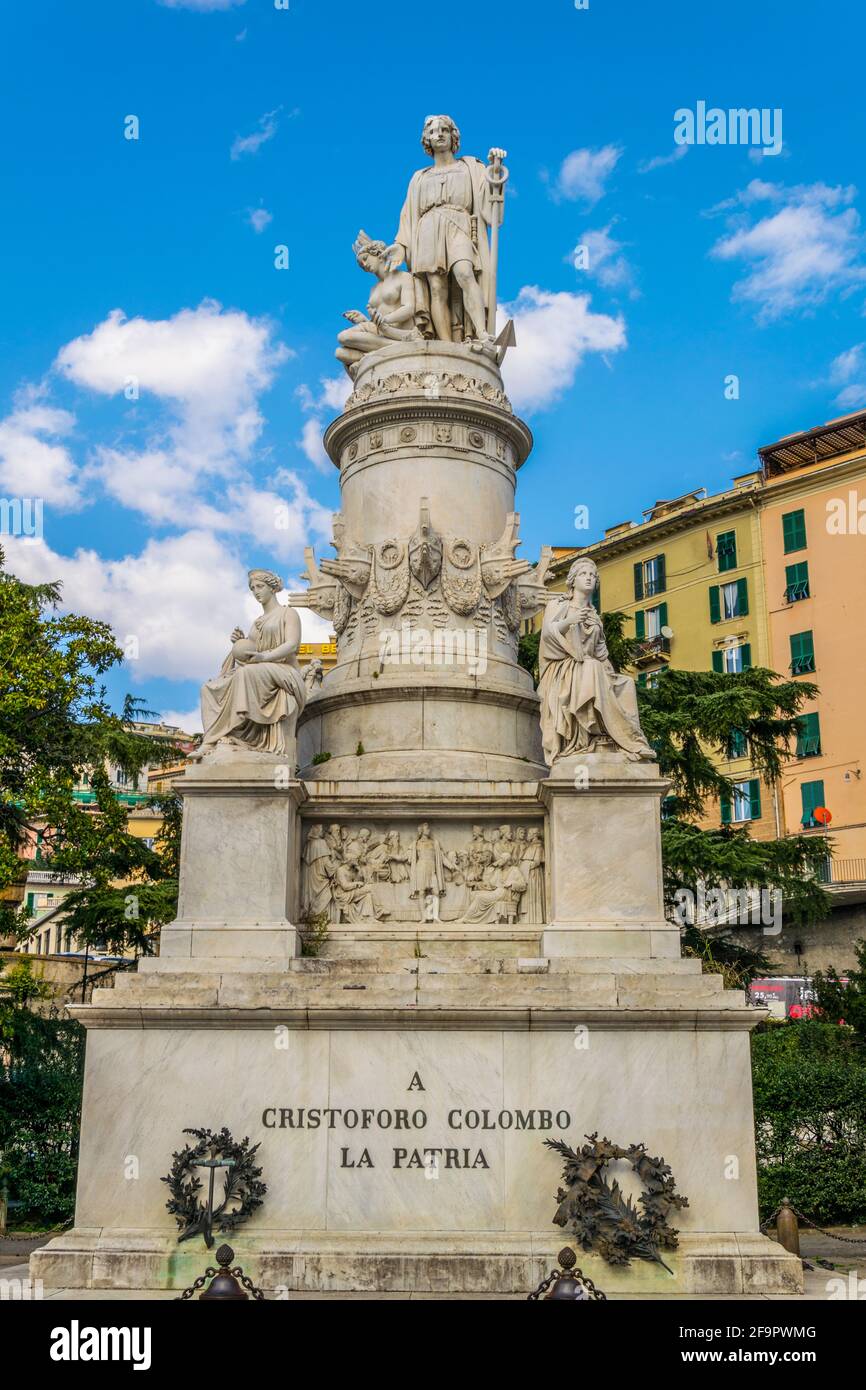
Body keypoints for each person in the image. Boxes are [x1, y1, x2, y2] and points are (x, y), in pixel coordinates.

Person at [388, 115, 505, 345]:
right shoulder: (419, 177)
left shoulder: (471, 167)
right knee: (437, 288)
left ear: (453, 136)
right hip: (428, 228)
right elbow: (408, 214)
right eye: (433, 131)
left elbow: (488, 202)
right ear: (427, 140)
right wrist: (401, 245)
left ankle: (481, 332)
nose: (439, 134)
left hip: (458, 222)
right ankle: (446, 345)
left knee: (465, 273)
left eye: (444, 130)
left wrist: (495, 170)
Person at [538, 557, 654, 764]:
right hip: (562, 667)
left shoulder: (594, 616)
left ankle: (627, 740)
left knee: (625, 683)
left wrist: (610, 675)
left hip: (591, 667)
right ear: (573, 580)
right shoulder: (558, 605)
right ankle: (584, 736)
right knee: (592, 667)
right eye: (584, 574)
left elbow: (601, 653)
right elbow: (548, 634)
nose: (589, 578)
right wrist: (570, 621)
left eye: (592, 575)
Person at [195, 569, 307, 758]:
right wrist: (239, 643)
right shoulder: (256, 623)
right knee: (209, 688)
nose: (256, 591)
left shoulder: (288, 613)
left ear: (272, 588)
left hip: (284, 671)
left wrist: (265, 657)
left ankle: (229, 731)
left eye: (260, 586)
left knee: (244, 674)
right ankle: (213, 739)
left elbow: (292, 644)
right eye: (252, 588)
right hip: (259, 671)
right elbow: (248, 655)